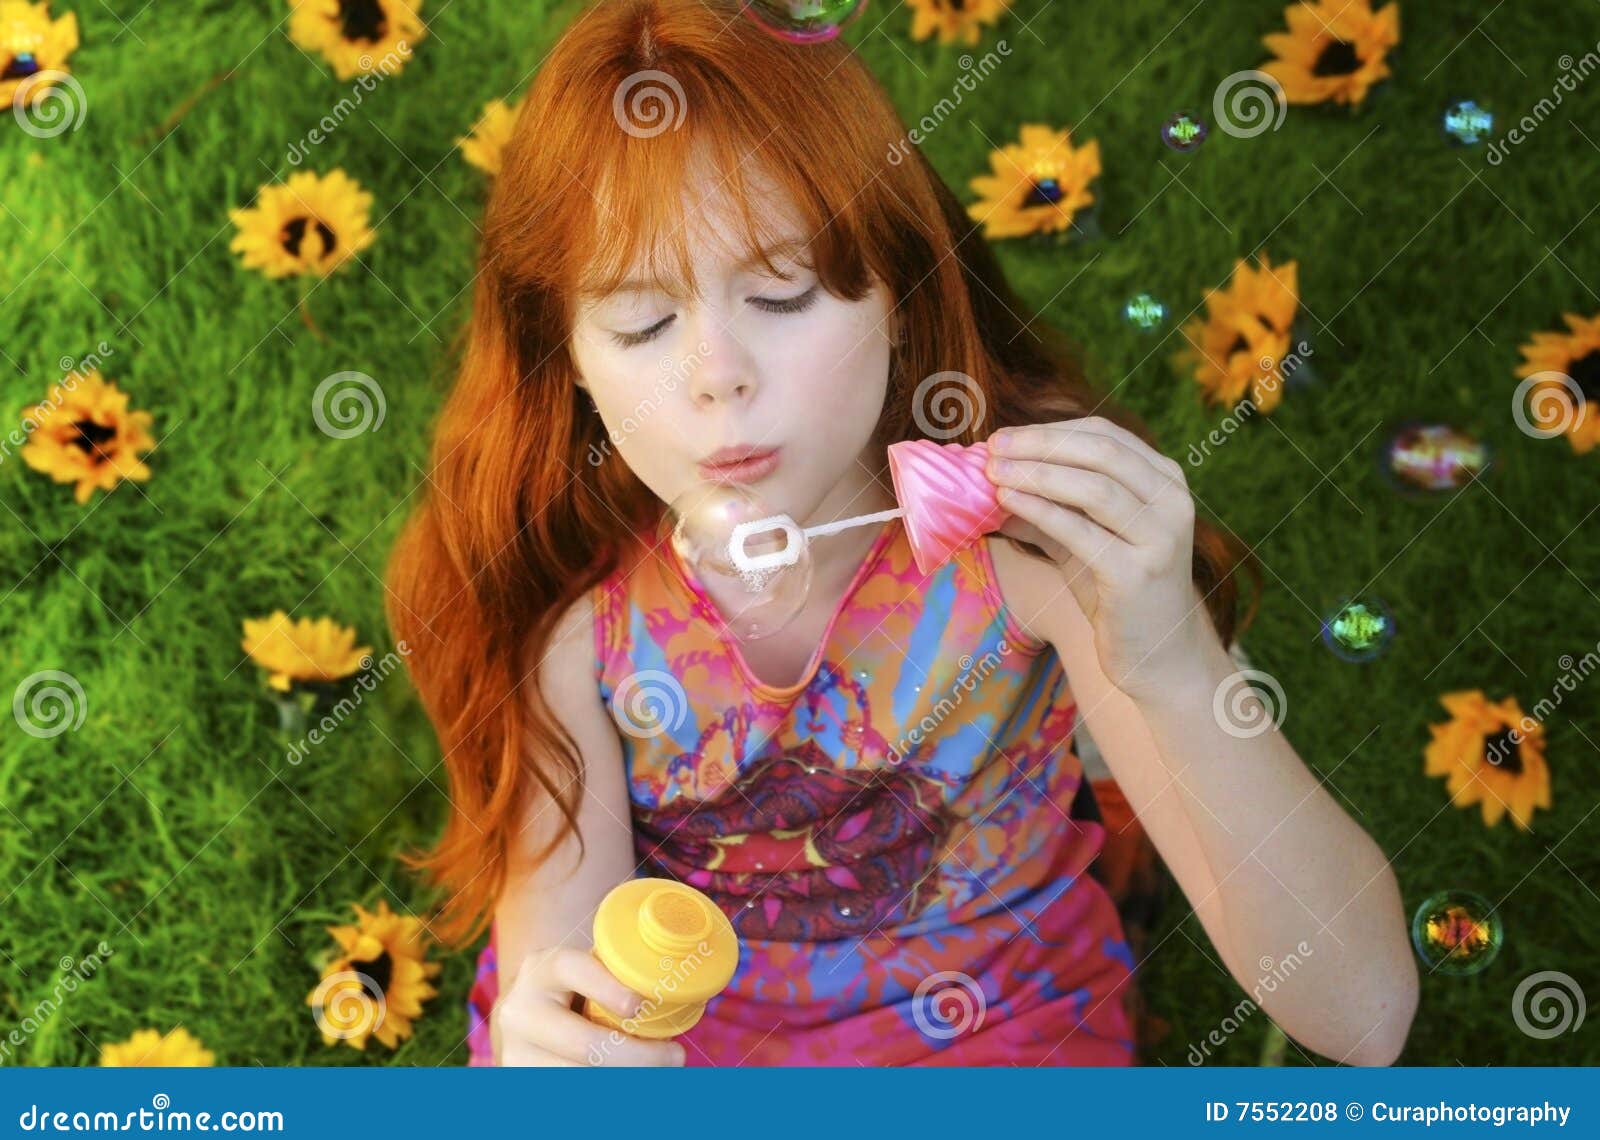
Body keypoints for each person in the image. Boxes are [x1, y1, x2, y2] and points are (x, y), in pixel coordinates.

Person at [384, 0, 1417, 1067]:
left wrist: (1170, 660)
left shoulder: (1027, 550)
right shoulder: (565, 598)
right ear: (567, 359)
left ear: (900, 290)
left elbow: (1364, 1015)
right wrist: (564, 1051)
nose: (715, 376)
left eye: (782, 294)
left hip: (996, 1031)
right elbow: (570, 962)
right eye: (642, 322)